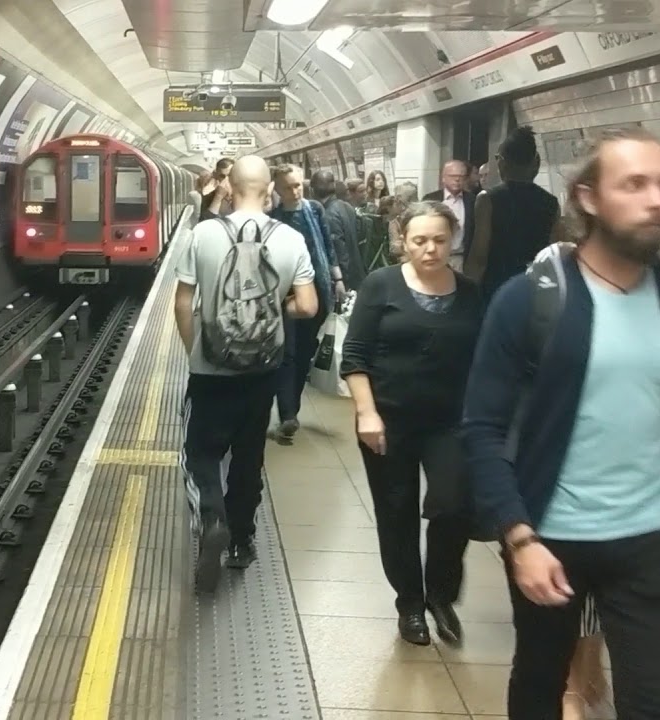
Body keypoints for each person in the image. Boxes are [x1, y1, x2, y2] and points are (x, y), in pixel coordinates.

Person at [462, 126, 660, 720]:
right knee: (540, 678)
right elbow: (481, 427)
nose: (656, 199)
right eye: (634, 184)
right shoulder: (528, 301)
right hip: (552, 534)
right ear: (587, 198)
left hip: (656, 532)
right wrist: (518, 536)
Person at [340, 201, 483, 646]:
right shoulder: (380, 286)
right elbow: (355, 356)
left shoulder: (472, 293)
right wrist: (366, 412)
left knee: (454, 504)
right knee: (397, 512)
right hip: (389, 421)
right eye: (420, 240)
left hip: (451, 422)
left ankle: (441, 593)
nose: (430, 249)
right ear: (402, 240)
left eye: (440, 240)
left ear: (452, 239)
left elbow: (486, 360)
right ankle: (411, 604)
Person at [174, 155, 319, 591]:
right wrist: (273, 309)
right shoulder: (290, 237)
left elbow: (183, 301)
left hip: (211, 368)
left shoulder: (203, 233)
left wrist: (195, 351)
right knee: (248, 455)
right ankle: (241, 542)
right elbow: (309, 306)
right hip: (263, 369)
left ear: (228, 188)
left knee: (200, 452)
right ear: (270, 191)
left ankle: (211, 516)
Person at [268, 164, 347, 441]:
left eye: (298, 185)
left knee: (304, 353)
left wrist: (337, 280)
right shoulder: (273, 218)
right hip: (286, 296)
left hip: (318, 291)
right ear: (276, 189)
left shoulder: (315, 210)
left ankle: (292, 409)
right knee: (287, 354)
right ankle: (288, 414)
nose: (295, 190)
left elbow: (327, 245)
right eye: (288, 186)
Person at [464, 126, 567, 300]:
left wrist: (467, 293)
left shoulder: (488, 199)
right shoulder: (551, 202)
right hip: (533, 286)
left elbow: (479, 256)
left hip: (496, 286)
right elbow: (553, 252)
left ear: (502, 162)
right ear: (536, 162)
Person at [423, 161, 477, 271]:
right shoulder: (430, 199)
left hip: (461, 259)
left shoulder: (473, 201)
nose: (457, 180)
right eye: (452, 176)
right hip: (435, 256)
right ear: (443, 178)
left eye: (461, 176)